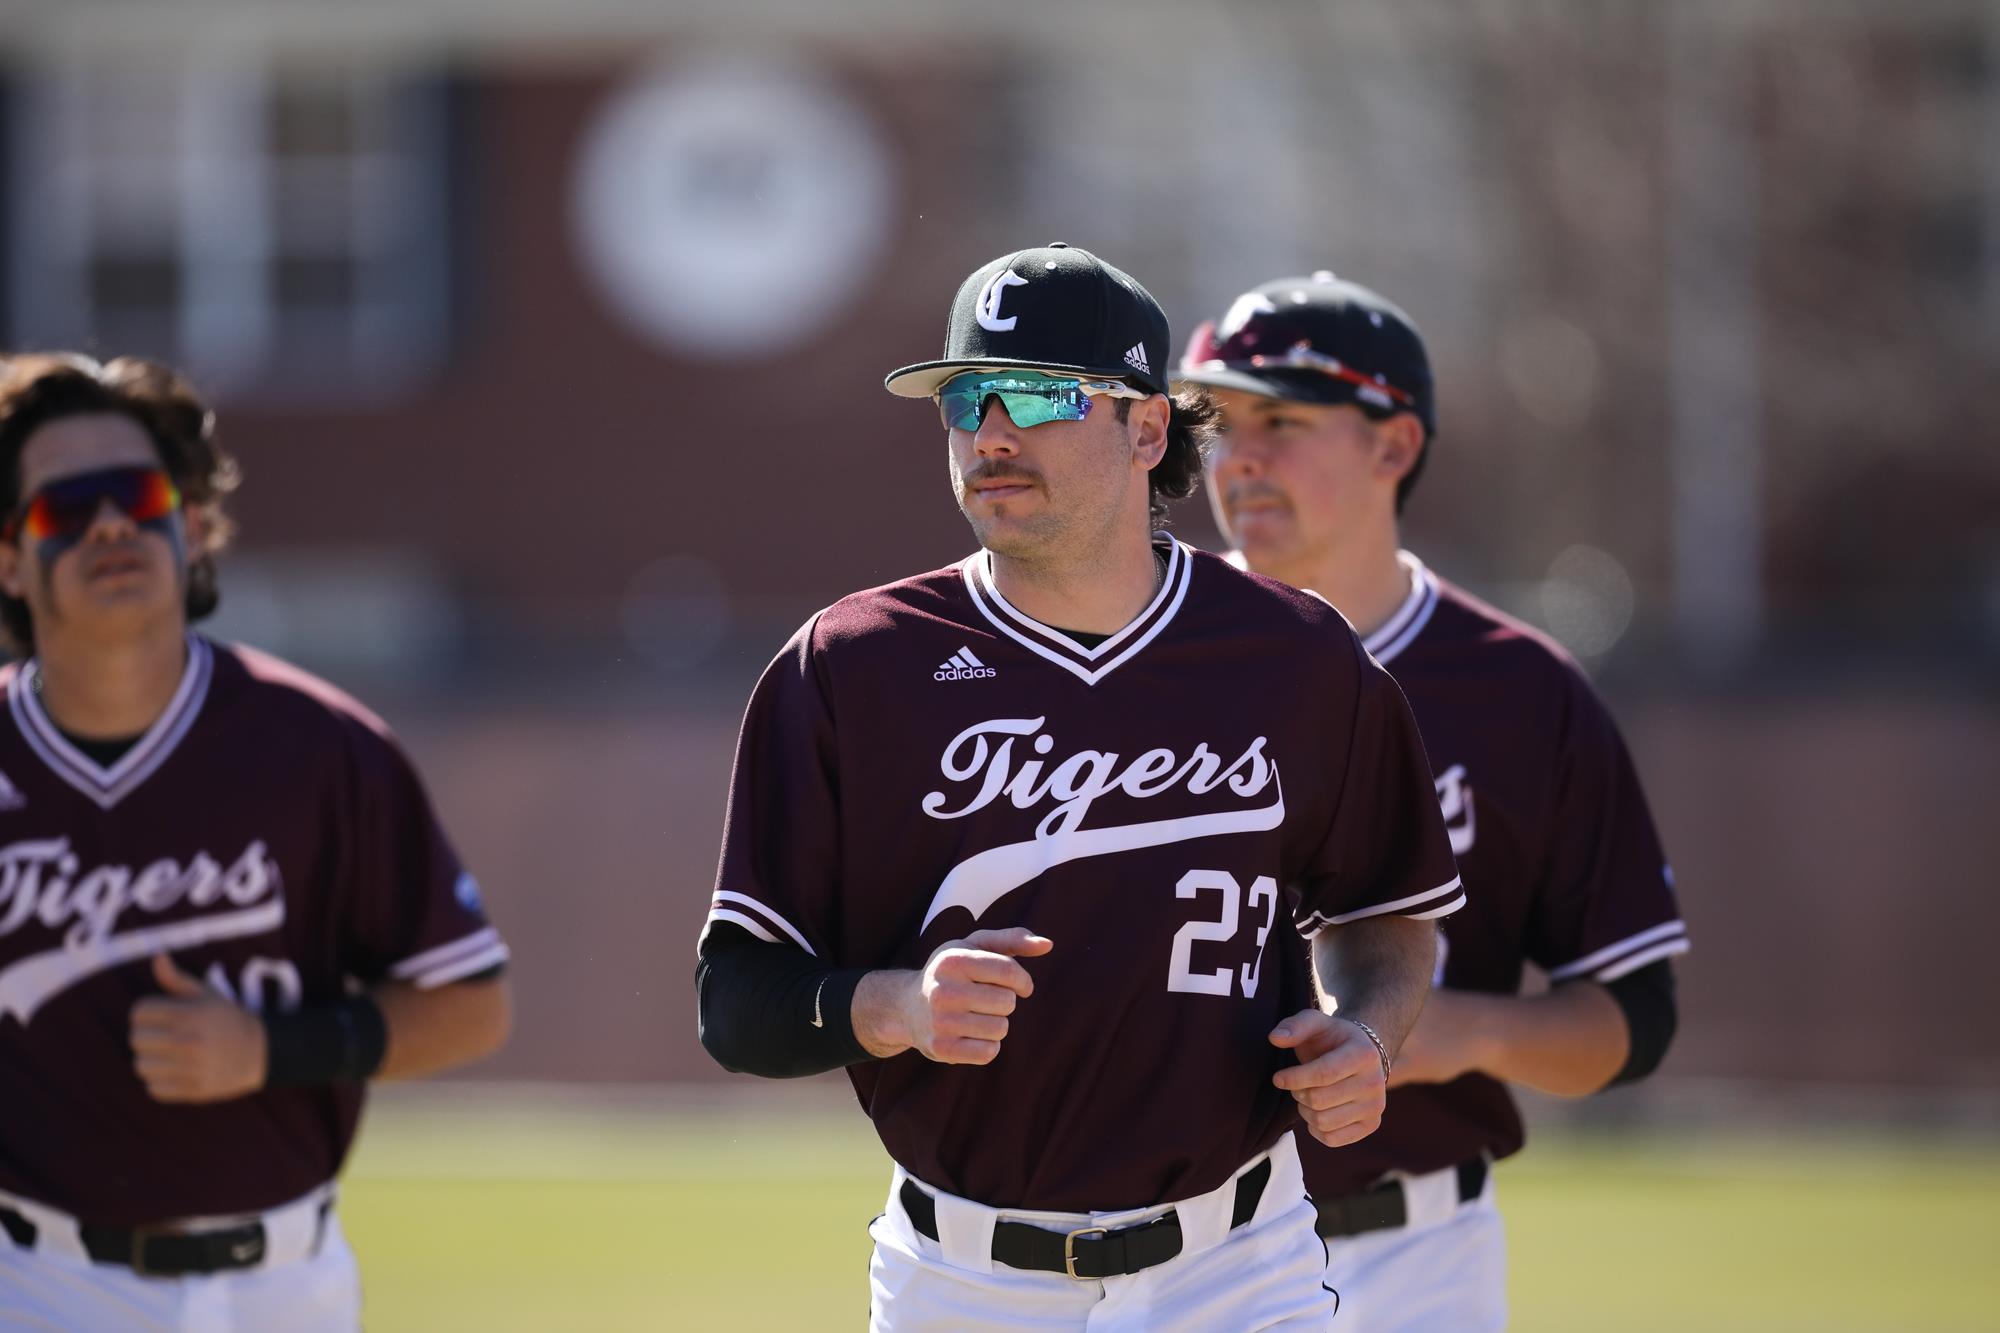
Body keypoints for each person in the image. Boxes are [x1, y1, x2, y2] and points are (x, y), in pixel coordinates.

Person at [695, 243, 1465, 1332]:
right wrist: (896, 1006)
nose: (990, 431)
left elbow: (1386, 917)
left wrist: (1366, 1035)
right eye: (965, 395)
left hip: (1237, 1267)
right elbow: (735, 1000)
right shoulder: (852, 662)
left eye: (1041, 393)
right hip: (961, 1280)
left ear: (1147, 429)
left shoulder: (1296, 656)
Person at [1178, 271, 1689, 1331]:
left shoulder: (1517, 688)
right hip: (1170, 1251)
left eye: (1282, 419)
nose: (1241, 457)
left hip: (1409, 1254)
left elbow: (1631, 1018)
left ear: (1392, 445)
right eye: (1220, 421)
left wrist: (1451, 1030)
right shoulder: (1141, 658)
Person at [0, 354, 512, 1332]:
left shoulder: (320, 747)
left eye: (138, 493)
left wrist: (273, 1049)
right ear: (8, 557)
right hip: (34, 1282)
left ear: (189, 526)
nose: (110, 524)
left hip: (283, 1286)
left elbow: (472, 1006)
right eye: (66, 506)